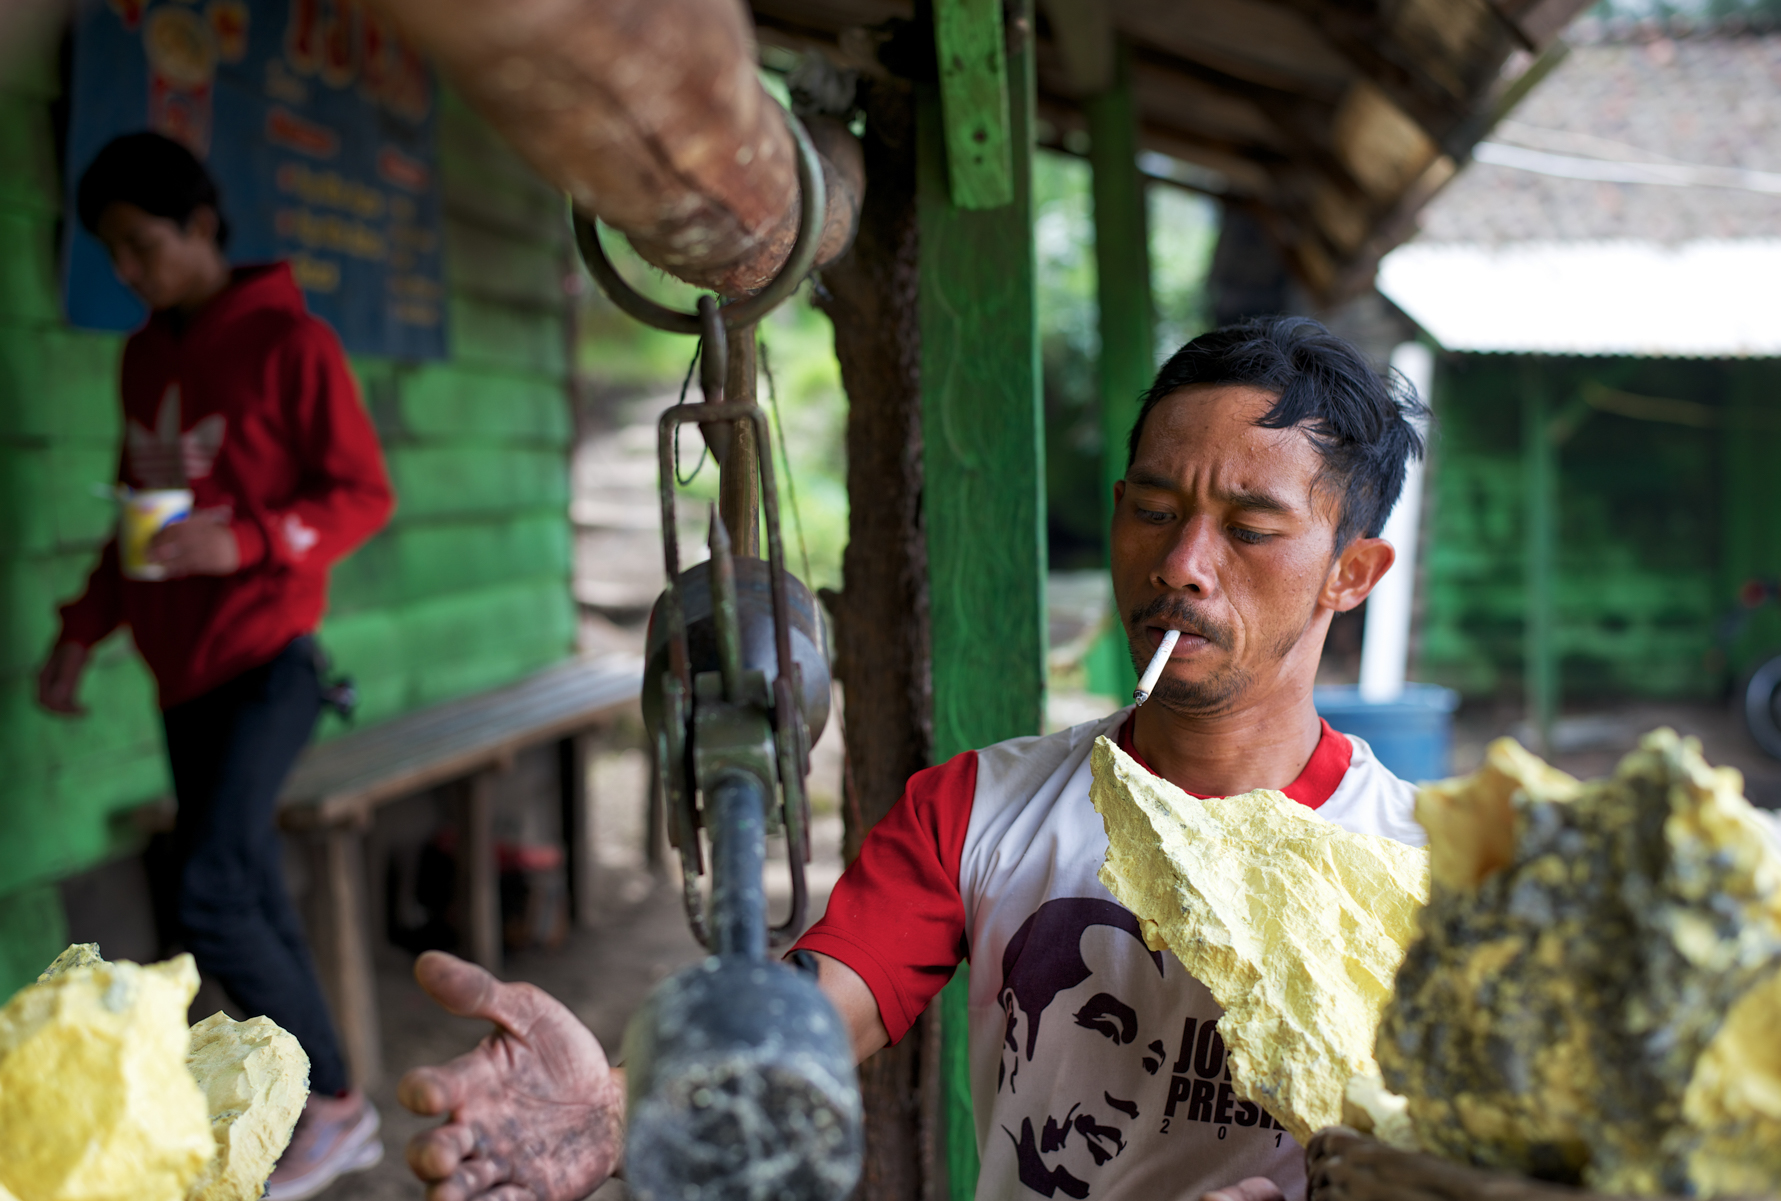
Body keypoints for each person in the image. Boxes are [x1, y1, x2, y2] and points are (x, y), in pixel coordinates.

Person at [394, 317, 1428, 1201]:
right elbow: (811, 1015)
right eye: (1154, 510)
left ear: (1352, 572)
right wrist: (616, 1107)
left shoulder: (1414, 872)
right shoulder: (984, 808)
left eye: (1250, 528)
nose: (1181, 565)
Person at [37, 131, 394, 1201]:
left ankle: (336, 1102)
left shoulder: (294, 343)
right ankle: (309, 1103)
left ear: (201, 225)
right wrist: (78, 632)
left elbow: (361, 495)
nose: (132, 271)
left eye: (145, 244)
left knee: (209, 888)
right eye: (115, 254)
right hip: (179, 674)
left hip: (269, 658)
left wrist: (251, 539)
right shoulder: (145, 359)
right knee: (243, 887)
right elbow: (136, 524)